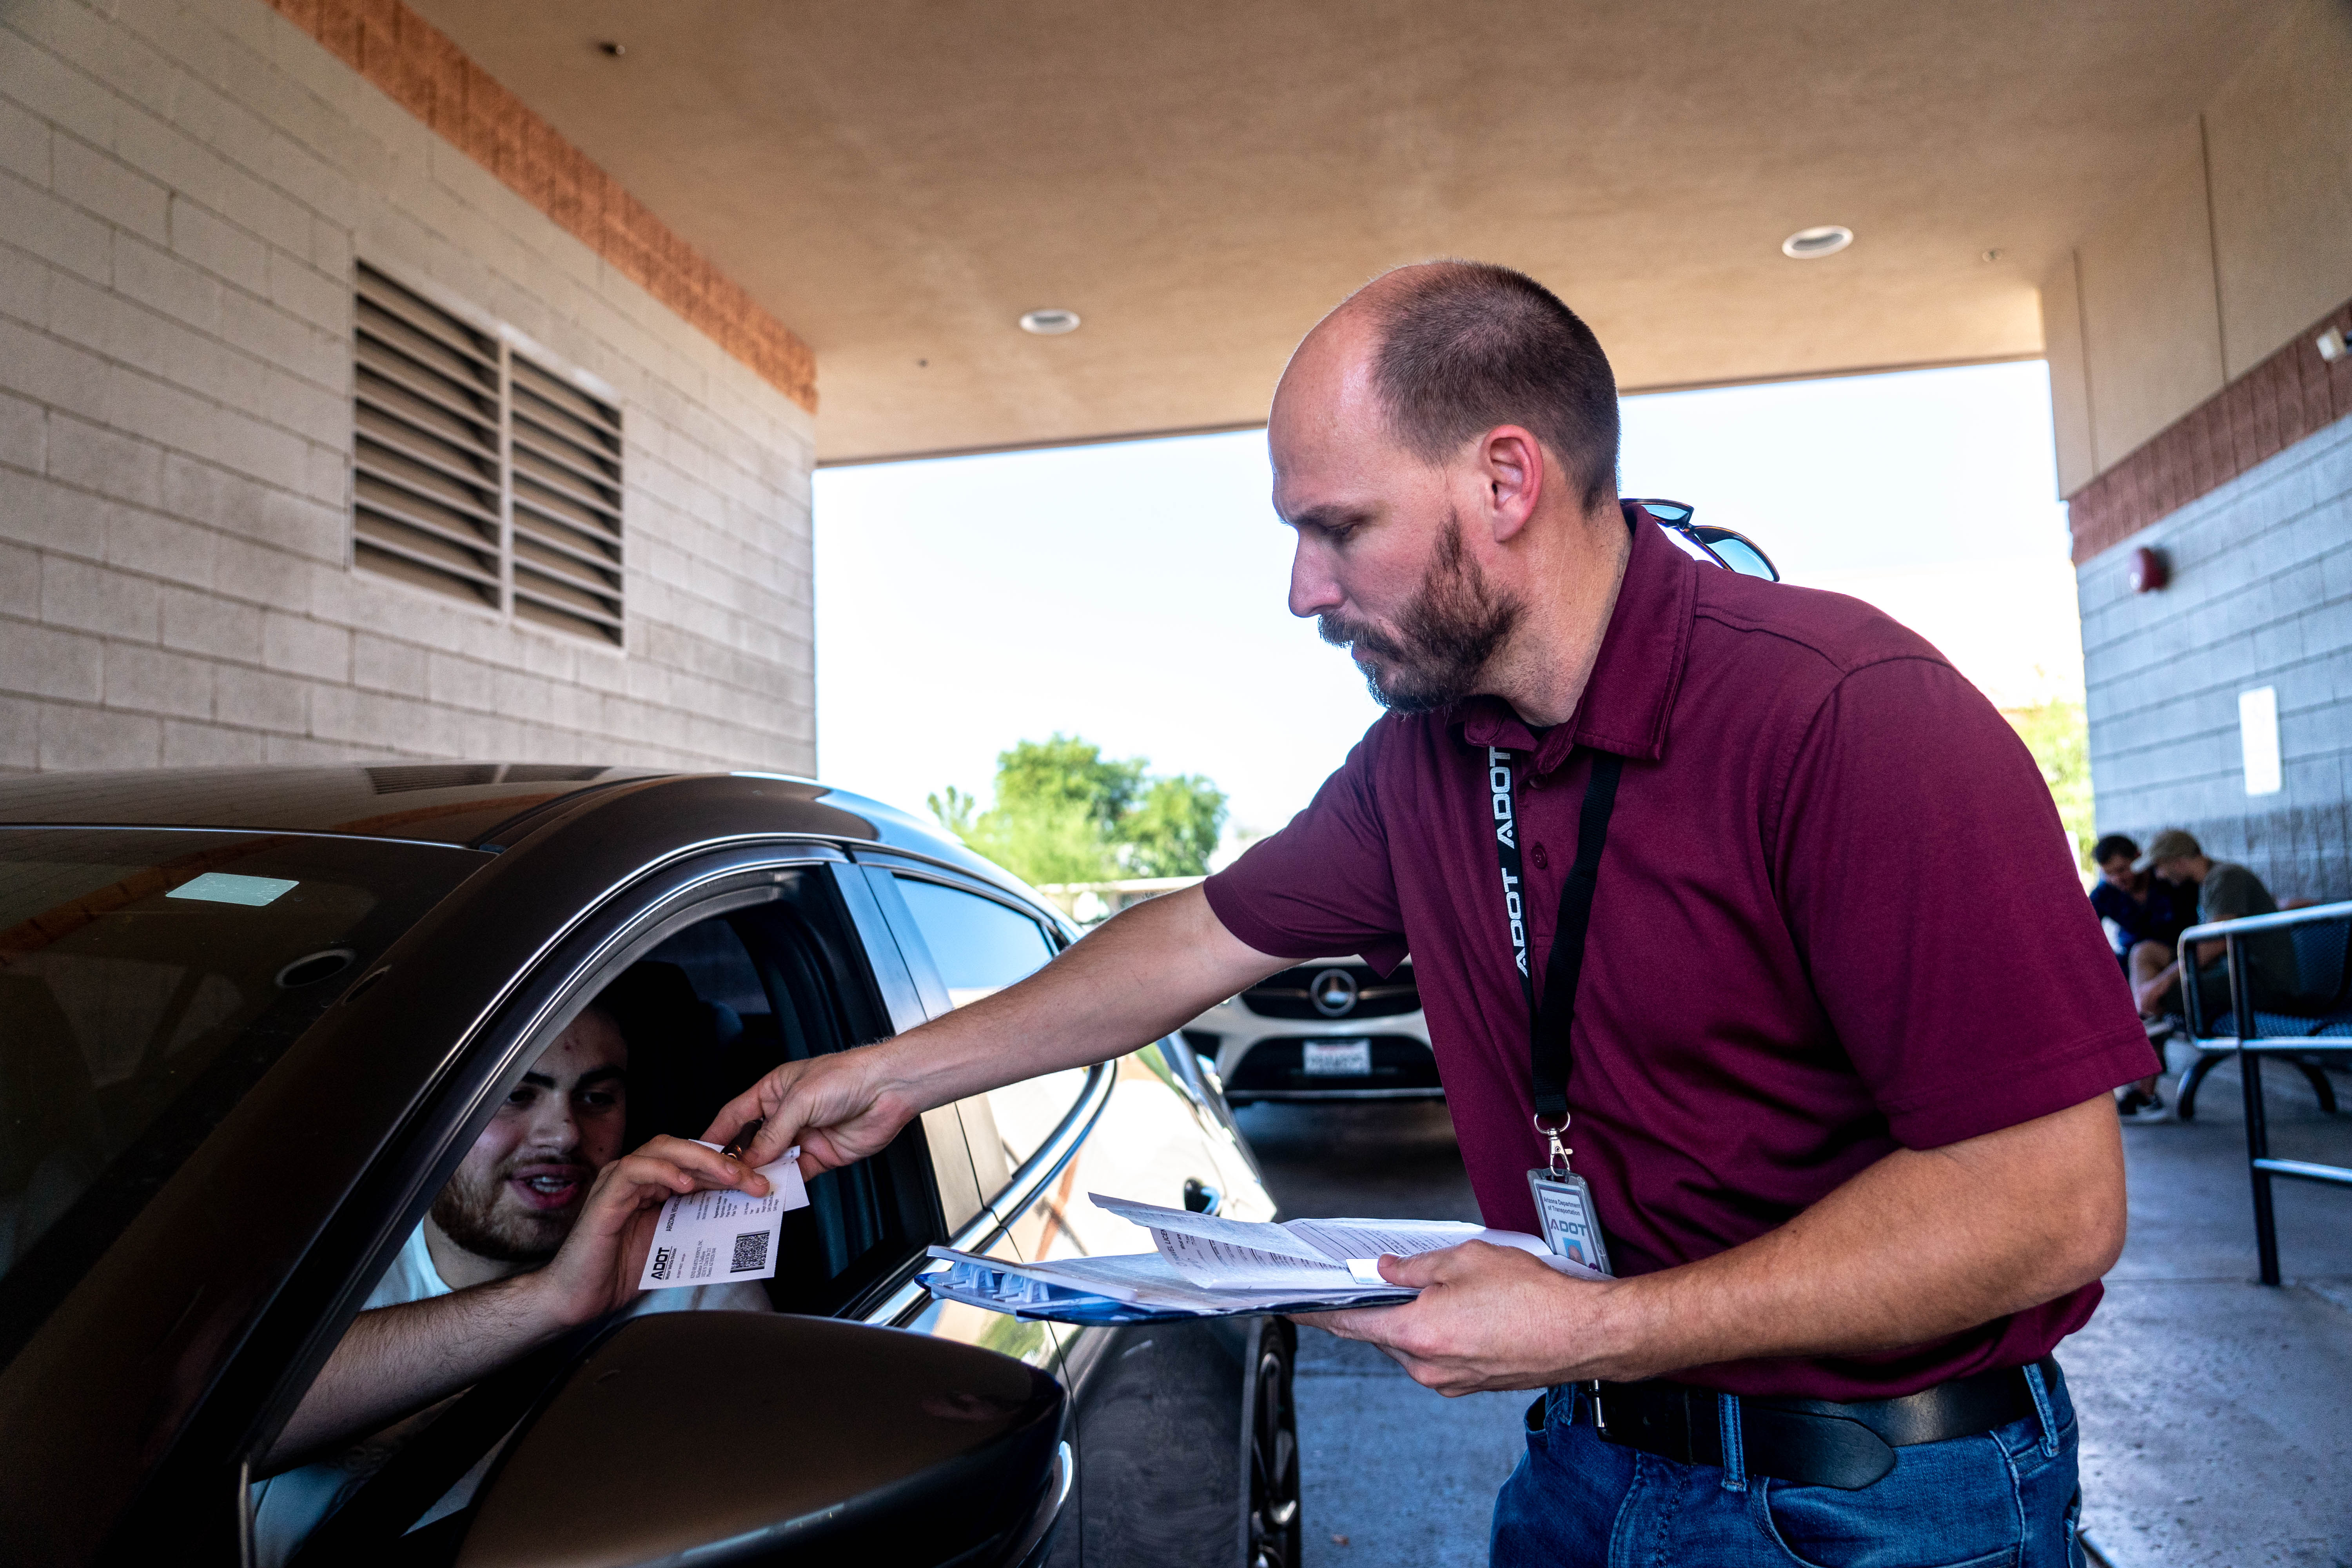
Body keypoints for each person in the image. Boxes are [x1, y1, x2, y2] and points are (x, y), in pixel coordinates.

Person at [712, 261, 2153, 1567]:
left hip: (1877, 1498)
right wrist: (884, 1072)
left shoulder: (1844, 716)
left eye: (1339, 528)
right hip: (1587, 1459)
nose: (1299, 590)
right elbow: (1194, 936)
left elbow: (2042, 1205)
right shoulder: (1427, 756)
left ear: (1505, 481)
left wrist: (1600, 1321)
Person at [250, 1002, 772, 1566]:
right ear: (430, 1112)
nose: (565, 1135)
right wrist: (552, 1301)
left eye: (598, 1098)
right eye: (516, 1094)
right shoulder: (324, 1262)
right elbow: (222, 1432)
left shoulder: (692, 1296)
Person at [2127, 827, 2302, 1038]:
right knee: (2145, 952)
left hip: (2264, 984)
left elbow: (2216, 943)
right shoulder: (2214, 880)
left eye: (2160, 867)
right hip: (2242, 976)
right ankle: (2148, 1028)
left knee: (2164, 996)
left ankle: (2145, 1037)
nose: (2159, 875)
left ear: (2178, 861)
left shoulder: (2226, 877)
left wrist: (2162, 983)